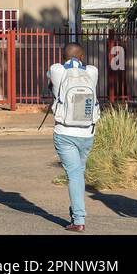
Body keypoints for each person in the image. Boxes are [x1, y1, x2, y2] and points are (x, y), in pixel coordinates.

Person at [48, 43, 100, 232]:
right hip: (87, 133)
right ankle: (75, 214)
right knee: (78, 173)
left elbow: (51, 77)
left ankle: (78, 220)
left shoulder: (57, 70)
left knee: (74, 174)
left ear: (63, 57)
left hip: (65, 133)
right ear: (83, 57)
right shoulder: (92, 72)